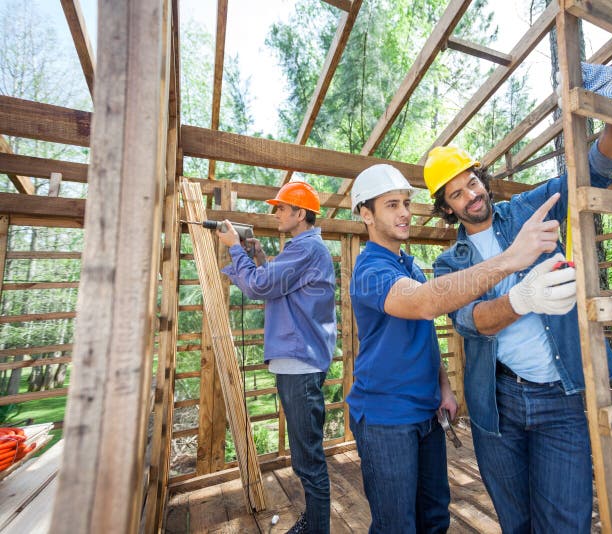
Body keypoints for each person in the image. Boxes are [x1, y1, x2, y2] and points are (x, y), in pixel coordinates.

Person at [427, 62, 612, 533]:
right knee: (516, 523)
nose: (471, 194)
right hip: (497, 404)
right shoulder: (449, 264)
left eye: (472, 181)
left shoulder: (531, 208)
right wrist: (521, 299)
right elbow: (468, 323)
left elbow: (598, 170)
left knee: (565, 523)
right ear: (447, 208)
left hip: (562, 397)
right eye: (457, 193)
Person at [346, 163, 564, 533]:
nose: (403, 213)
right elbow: (424, 304)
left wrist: (444, 388)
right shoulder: (370, 270)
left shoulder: (408, 266)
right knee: (396, 526)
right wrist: (512, 259)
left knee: (434, 517)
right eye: (390, 205)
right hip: (386, 418)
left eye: (405, 203)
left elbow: (423, 335)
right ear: (366, 215)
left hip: (426, 413)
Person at [217, 181, 335, 534]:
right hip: (295, 362)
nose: (277, 213)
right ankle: (314, 522)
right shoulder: (300, 249)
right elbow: (277, 284)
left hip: (300, 363)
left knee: (309, 460)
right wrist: (257, 258)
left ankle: (317, 529)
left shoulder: (307, 248)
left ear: (300, 214)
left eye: (282, 208)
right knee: (304, 457)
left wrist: (236, 250)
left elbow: (260, 287)